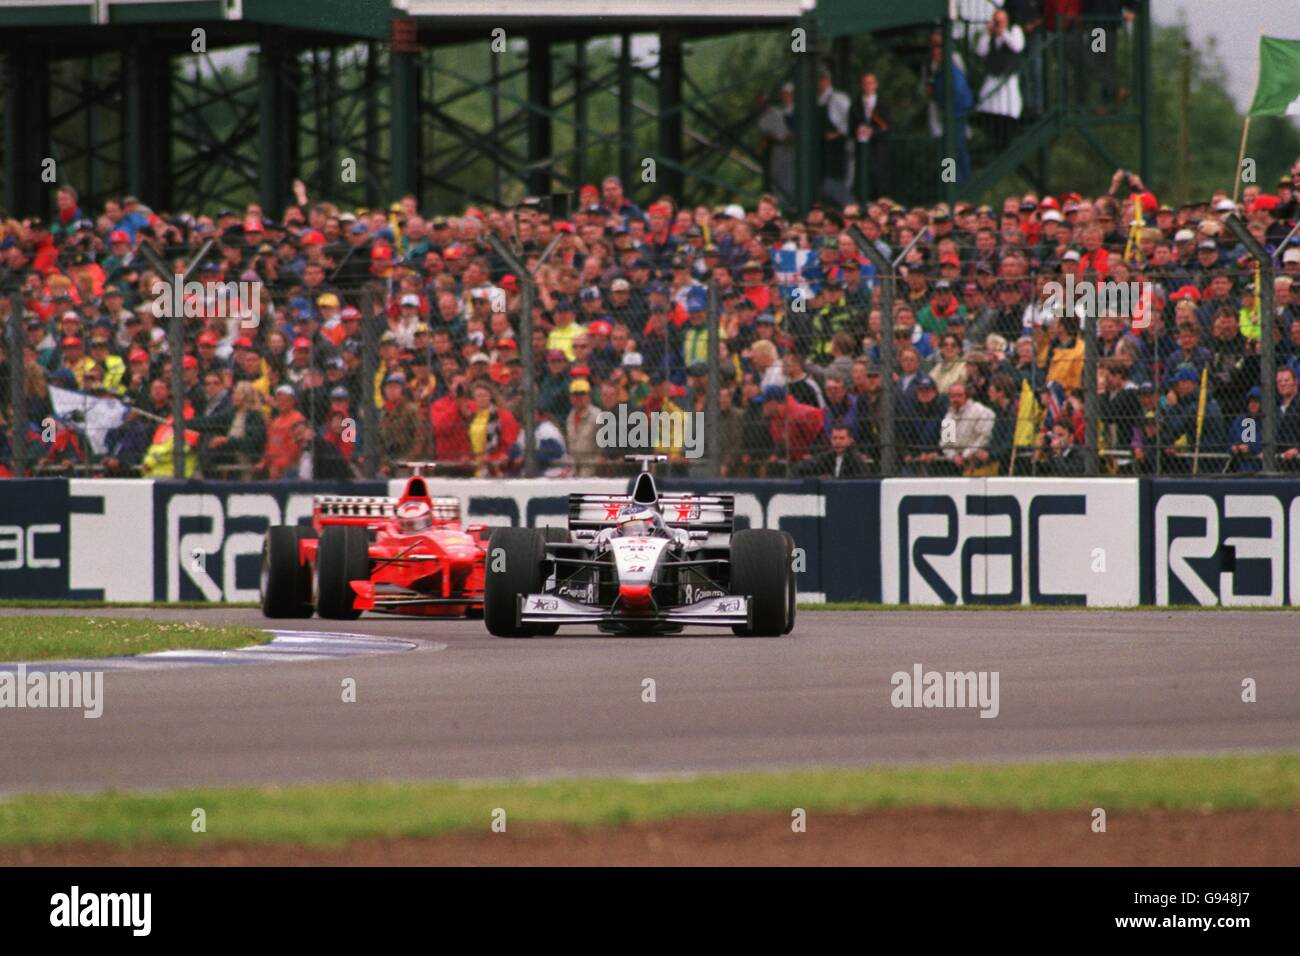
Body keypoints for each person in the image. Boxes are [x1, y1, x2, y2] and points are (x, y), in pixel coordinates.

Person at [974, 9, 1026, 144]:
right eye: (996, 20)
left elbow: (1017, 46)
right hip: (993, 76)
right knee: (986, 104)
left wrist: (1003, 32)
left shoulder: (1014, 30)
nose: (999, 23)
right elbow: (980, 51)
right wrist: (987, 33)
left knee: (1008, 107)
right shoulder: (990, 36)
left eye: (1001, 21)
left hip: (1007, 79)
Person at [798, 424, 870, 478]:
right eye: (834, 438)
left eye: (842, 438)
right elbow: (803, 467)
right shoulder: (828, 456)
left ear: (850, 440)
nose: (837, 442)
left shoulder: (856, 460)